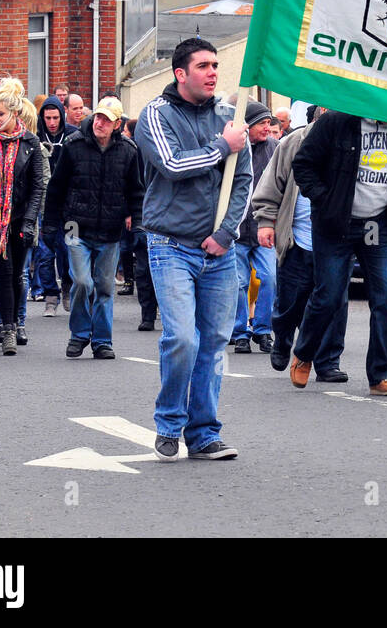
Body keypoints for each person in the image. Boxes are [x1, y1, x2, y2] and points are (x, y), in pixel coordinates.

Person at [135, 38, 250, 460]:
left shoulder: (229, 116)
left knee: (214, 341)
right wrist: (223, 147)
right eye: (203, 65)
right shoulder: (155, 115)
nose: (212, 72)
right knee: (182, 337)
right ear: (180, 73)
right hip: (170, 245)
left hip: (218, 252)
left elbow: (243, 181)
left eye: (216, 65)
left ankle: (204, 433)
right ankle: (169, 421)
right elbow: (172, 165)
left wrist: (225, 234)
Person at [287, 112, 387, 396]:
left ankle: (381, 375)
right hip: (337, 223)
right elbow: (303, 165)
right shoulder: (336, 122)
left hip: (378, 223)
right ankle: (305, 352)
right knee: (329, 295)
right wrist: (326, 200)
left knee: (385, 299)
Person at [250, 108, 349, 378]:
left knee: (334, 303)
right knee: (290, 302)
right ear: (316, 116)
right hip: (298, 238)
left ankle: (328, 362)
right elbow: (272, 184)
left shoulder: (351, 142)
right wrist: (266, 222)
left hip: (335, 239)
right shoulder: (293, 143)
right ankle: (282, 340)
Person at [44, 96, 144, 360]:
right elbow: (56, 187)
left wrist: (139, 221)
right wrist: (50, 224)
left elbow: (136, 191)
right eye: (98, 116)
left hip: (110, 230)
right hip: (74, 225)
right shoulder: (73, 145)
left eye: (107, 119)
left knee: (104, 287)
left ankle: (101, 340)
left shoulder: (129, 151)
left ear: (117, 124)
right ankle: (79, 335)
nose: (100, 122)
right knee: (81, 281)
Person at [0, 79, 47, 355]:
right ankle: (7, 327)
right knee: (3, 272)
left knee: (18, 274)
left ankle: (17, 322)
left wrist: (30, 221)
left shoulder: (30, 143)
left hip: (20, 218)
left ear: (14, 113)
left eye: (0, 114)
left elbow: (37, 186)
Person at [230, 101, 279, 354]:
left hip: (263, 228)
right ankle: (240, 332)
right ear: (247, 126)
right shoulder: (233, 148)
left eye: (269, 123)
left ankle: (262, 330)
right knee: (238, 282)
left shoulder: (274, 148)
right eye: (262, 123)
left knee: (269, 278)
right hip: (236, 230)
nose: (268, 128)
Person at [35, 95, 72, 315]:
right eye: (47, 117)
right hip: (45, 206)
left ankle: (67, 284)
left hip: (70, 207)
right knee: (45, 252)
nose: (52, 122)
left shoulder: (73, 135)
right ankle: (51, 294)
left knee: (69, 249)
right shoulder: (37, 138)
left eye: (55, 117)